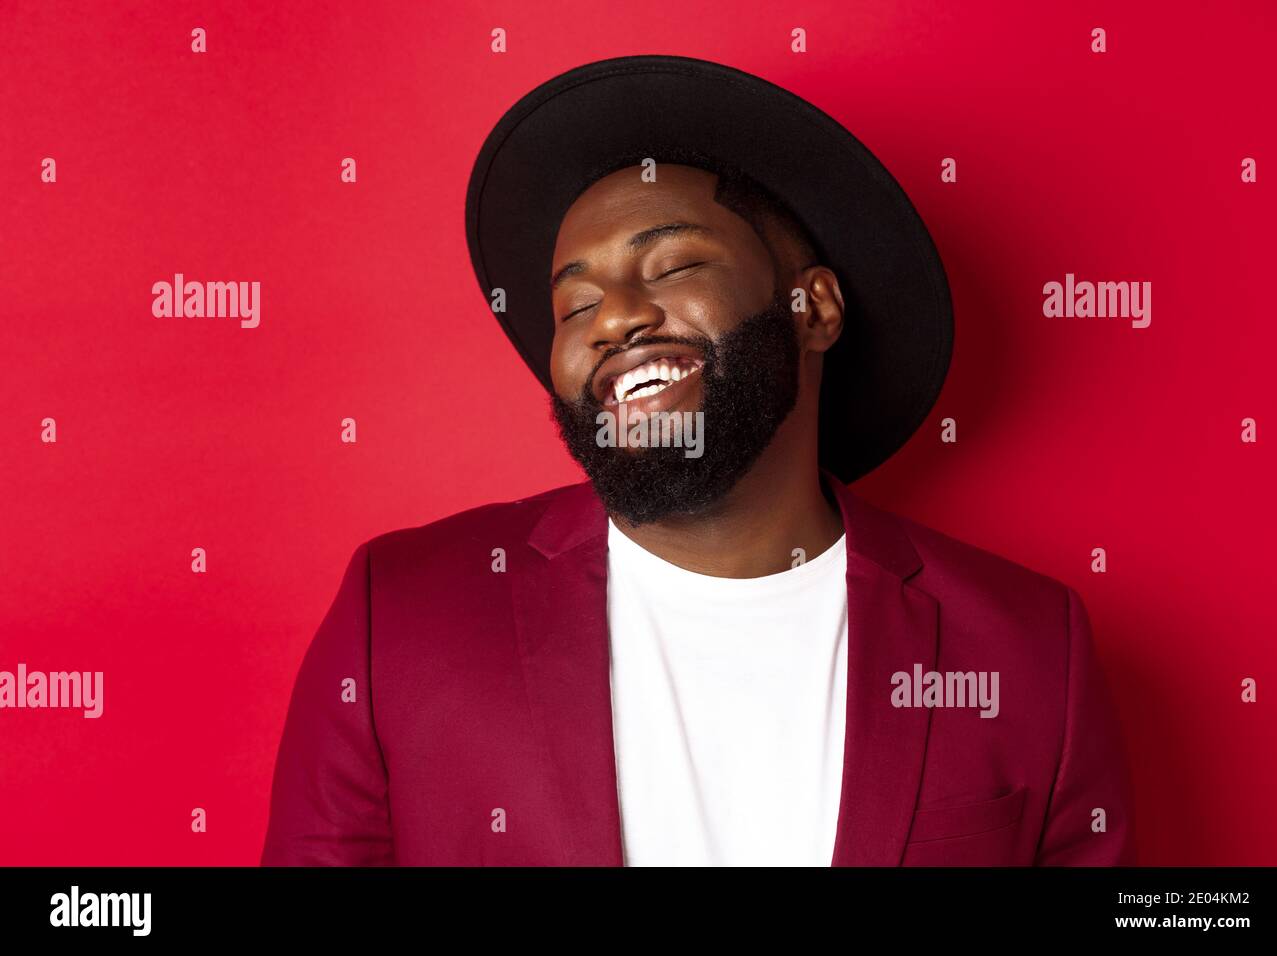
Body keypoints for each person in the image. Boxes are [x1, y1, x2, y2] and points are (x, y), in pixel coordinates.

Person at [261, 54, 1137, 866]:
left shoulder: (1029, 652)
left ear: (814, 307)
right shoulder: (401, 616)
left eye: (674, 262)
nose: (613, 320)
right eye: (575, 306)